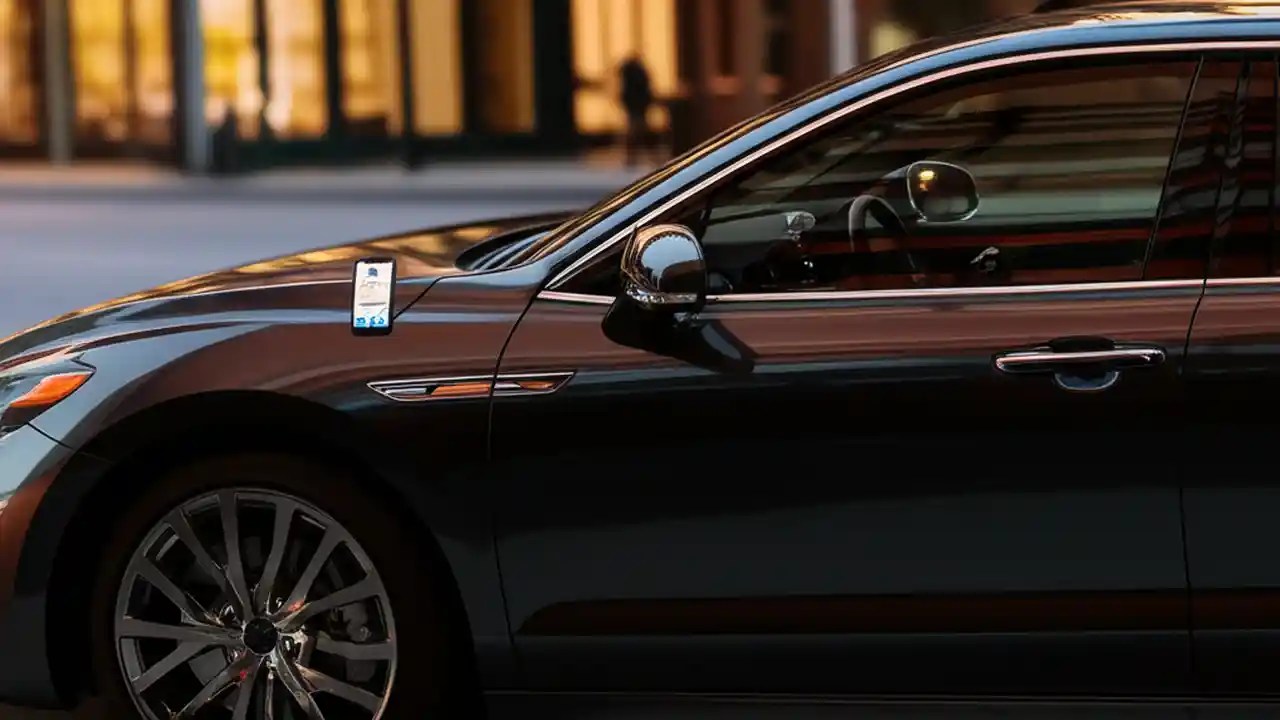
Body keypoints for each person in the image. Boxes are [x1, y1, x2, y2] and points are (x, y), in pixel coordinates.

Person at [619, 55, 654, 167]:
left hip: (636, 105)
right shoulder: (636, 75)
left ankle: (633, 157)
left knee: (636, 130)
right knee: (637, 130)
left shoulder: (630, 75)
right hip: (637, 106)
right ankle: (634, 157)